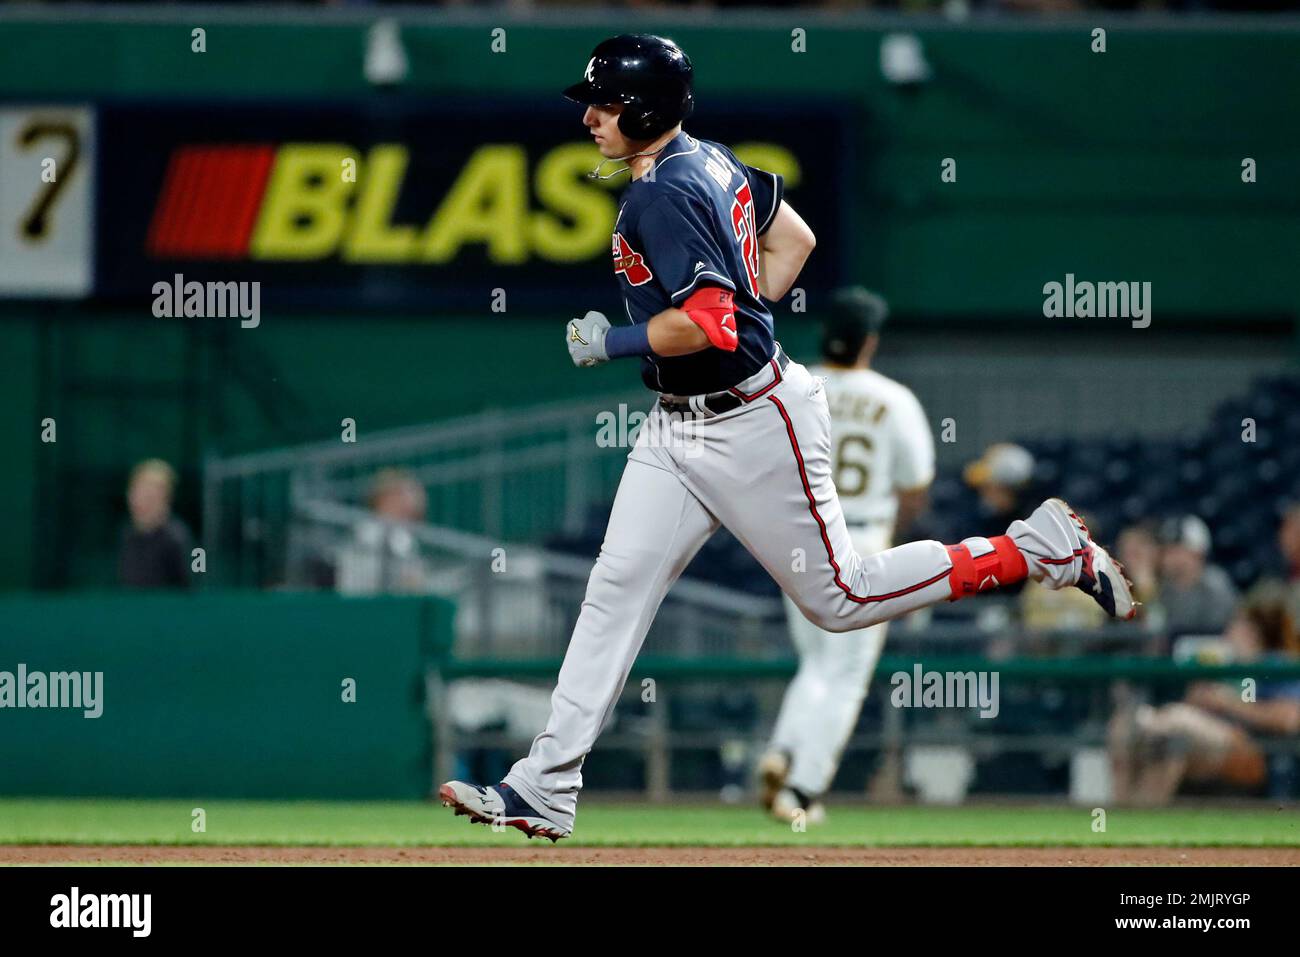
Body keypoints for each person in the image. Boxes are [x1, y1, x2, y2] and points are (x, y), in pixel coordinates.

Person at [438, 34, 1136, 841]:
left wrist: (615, 342)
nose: (590, 115)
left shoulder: (659, 195)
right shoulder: (712, 159)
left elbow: (710, 321)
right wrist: (741, 314)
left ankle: (1037, 549)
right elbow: (794, 240)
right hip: (678, 428)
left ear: (650, 109)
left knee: (842, 598)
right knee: (613, 592)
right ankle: (545, 786)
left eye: (607, 104)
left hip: (752, 420)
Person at [756, 287, 934, 824]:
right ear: (870, 342)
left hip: (801, 538)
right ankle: (802, 791)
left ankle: (783, 751)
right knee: (847, 674)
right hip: (863, 537)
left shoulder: (792, 387)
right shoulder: (895, 398)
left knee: (816, 663)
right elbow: (916, 485)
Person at [1108, 587, 1300, 804]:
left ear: (1256, 631)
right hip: (1198, 738)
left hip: (1251, 749)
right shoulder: (1222, 660)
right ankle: (1126, 819)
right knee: (1130, 728)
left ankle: (1155, 722)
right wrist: (1202, 698)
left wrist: (1228, 703)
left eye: (1240, 625)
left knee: (1179, 721)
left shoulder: (1274, 663)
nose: (1231, 630)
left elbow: (1290, 718)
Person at [1156, 514, 1238, 639]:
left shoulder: (1215, 585)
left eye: (1176, 549)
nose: (1169, 557)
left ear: (1197, 552)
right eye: (1166, 549)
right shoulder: (1161, 588)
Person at [117, 459, 193, 589]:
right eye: (136, 493)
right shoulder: (127, 534)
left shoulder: (178, 538)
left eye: (149, 496)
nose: (140, 502)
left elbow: (194, 587)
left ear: (166, 498)